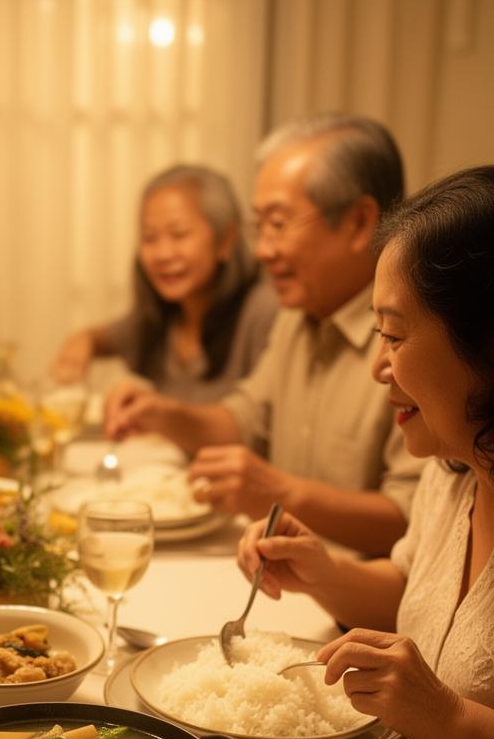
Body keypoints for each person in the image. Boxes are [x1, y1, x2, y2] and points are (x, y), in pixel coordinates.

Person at [237, 165, 494, 739]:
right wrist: (326, 575)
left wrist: (455, 721)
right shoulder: (457, 469)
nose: (378, 366)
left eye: (394, 336)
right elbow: (413, 587)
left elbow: (451, 702)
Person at [106, 115, 424, 556]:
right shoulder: (298, 316)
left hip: (363, 611)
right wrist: (162, 413)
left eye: (278, 224)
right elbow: (245, 420)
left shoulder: (413, 338)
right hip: (277, 580)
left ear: (358, 222)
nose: (261, 250)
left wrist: (281, 493)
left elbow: (415, 521)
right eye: (260, 226)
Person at [50, 164, 277, 407]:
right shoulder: (162, 316)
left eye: (179, 235)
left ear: (226, 239)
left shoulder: (263, 313)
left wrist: (160, 415)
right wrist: (84, 340)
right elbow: (103, 337)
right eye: (150, 238)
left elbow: (259, 428)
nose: (162, 254)